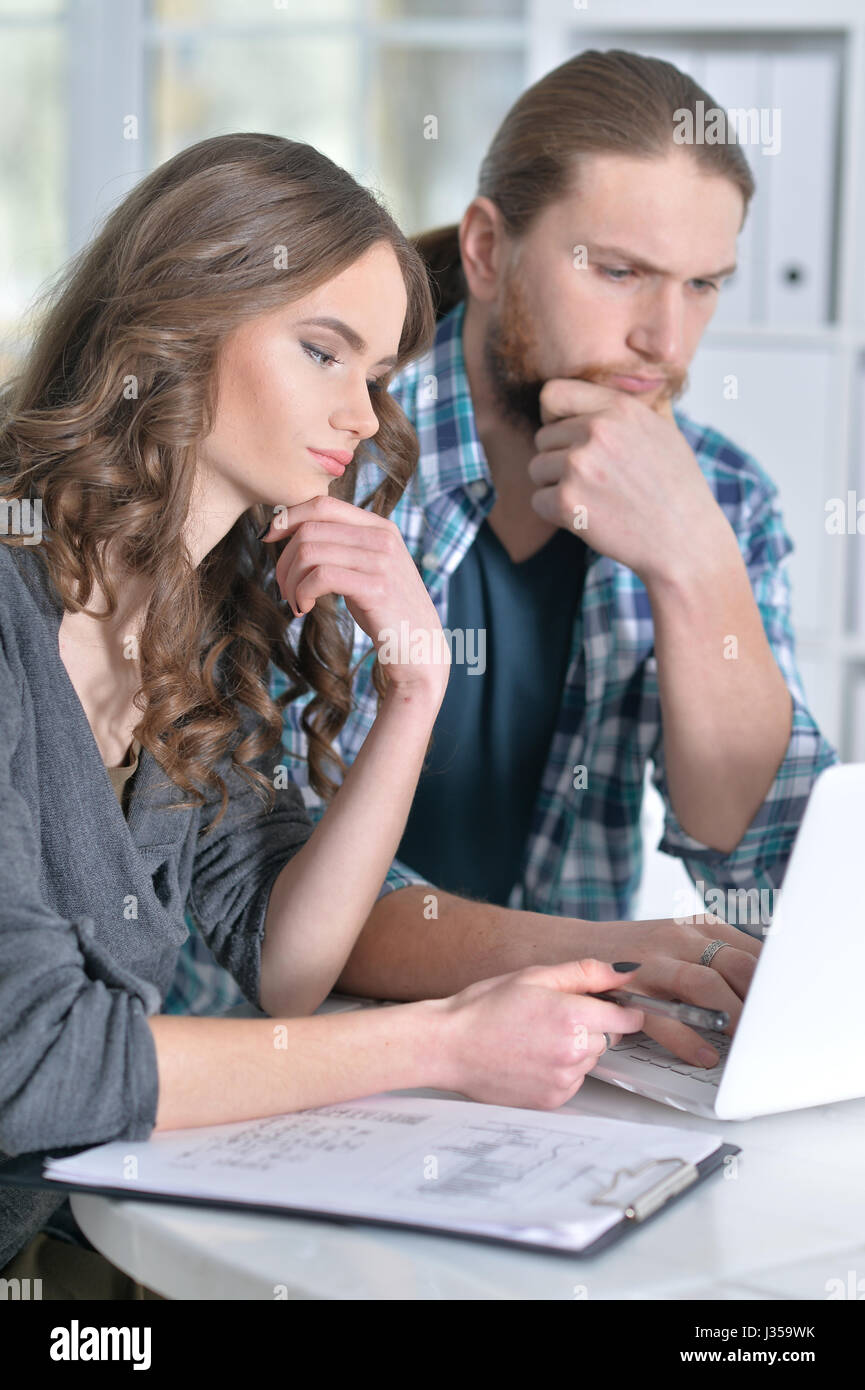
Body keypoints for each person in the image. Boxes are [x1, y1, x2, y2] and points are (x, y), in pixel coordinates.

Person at [0, 132, 646, 1296]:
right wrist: (442, 1044)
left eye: (380, 375)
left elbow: (287, 964)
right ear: (180, 322)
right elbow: (34, 1062)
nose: (360, 414)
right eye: (320, 350)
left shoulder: (191, 627)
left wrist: (415, 691)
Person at [170, 50, 835, 1068]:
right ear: (486, 249)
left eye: (702, 285)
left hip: (557, 1087)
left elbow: (778, 884)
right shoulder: (316, 455)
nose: (664, 339)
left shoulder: (722, 498)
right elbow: (280, 890)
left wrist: (696, 566)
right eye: (618, 272)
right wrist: (608, 960)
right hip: (286, 1064)